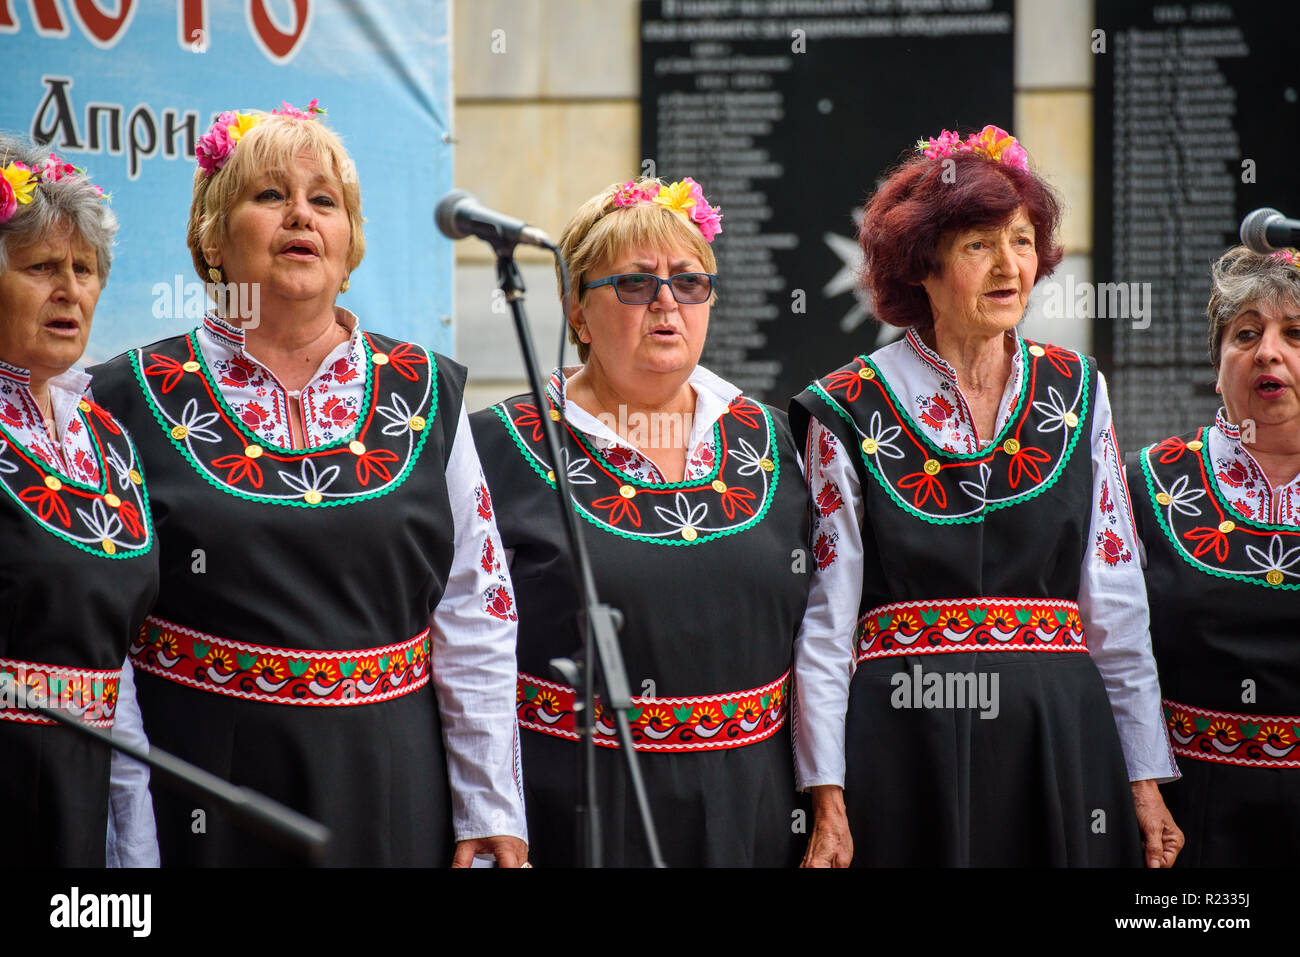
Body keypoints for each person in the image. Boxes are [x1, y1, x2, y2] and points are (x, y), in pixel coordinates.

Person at [89, 102, 527, 866]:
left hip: (390, 783)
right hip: (204, 785)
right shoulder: (123, 397)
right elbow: (105, 644)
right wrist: (129, 839)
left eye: (324, 201)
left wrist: (488, 805)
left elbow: (475, 613)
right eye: (268, 196)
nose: (301, 214)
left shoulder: (424, 390)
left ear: (350, 246)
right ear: (212, 239)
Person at [790, 126, 1182, 866]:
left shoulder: (1078, 388)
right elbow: (826, 616)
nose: (1009, 267)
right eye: (978, 245)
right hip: (905, 743)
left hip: (1058, 738)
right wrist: (827, 793)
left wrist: (1143, 773)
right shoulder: (847, 406)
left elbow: (1115, 594)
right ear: (923, 266)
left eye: (1023, 241)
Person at [470, 176, 811, 866]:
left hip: (751, 811)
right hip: (573, 808)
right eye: (634, 284)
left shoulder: (777, 442)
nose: (666, 302)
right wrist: (485, 809)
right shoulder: (496, 446)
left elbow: (826, 639)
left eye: (690, 283)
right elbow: (463, 648)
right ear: (578, 312)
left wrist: (828, 795)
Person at [0, 135, 159, 866]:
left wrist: (134, 846)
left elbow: (115, 669)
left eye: (85, 269)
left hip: (84, 797)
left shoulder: (110, 441)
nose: (70, 289)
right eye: (40, 268)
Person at [1129, 245, 1300, 865]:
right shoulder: (1145, 484)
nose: (1268, 352)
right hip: (1188, 817)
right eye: (1246, 334)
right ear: (1218, 360)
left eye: (1296, 334)